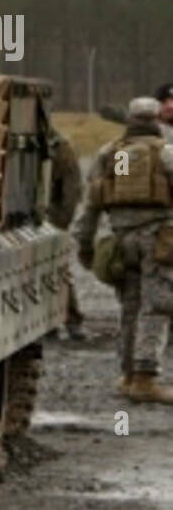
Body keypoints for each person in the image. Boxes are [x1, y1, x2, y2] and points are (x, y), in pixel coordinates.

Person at [72, 97, 173, 403]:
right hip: (158, 239)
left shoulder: (109, 154)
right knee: (156, 306)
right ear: (157, 118)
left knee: (130, 306)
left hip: (120, 241)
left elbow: (91, 204)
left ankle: (128, 375)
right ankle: (145, 377)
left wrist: (85, 245)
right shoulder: (167, 154)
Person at [47, 127, 87, 340]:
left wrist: (61, 222)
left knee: (58, 270)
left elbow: (72, 191)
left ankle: (70, 317)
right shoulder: (120, 152)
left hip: (50, 219)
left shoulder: (120, 151)